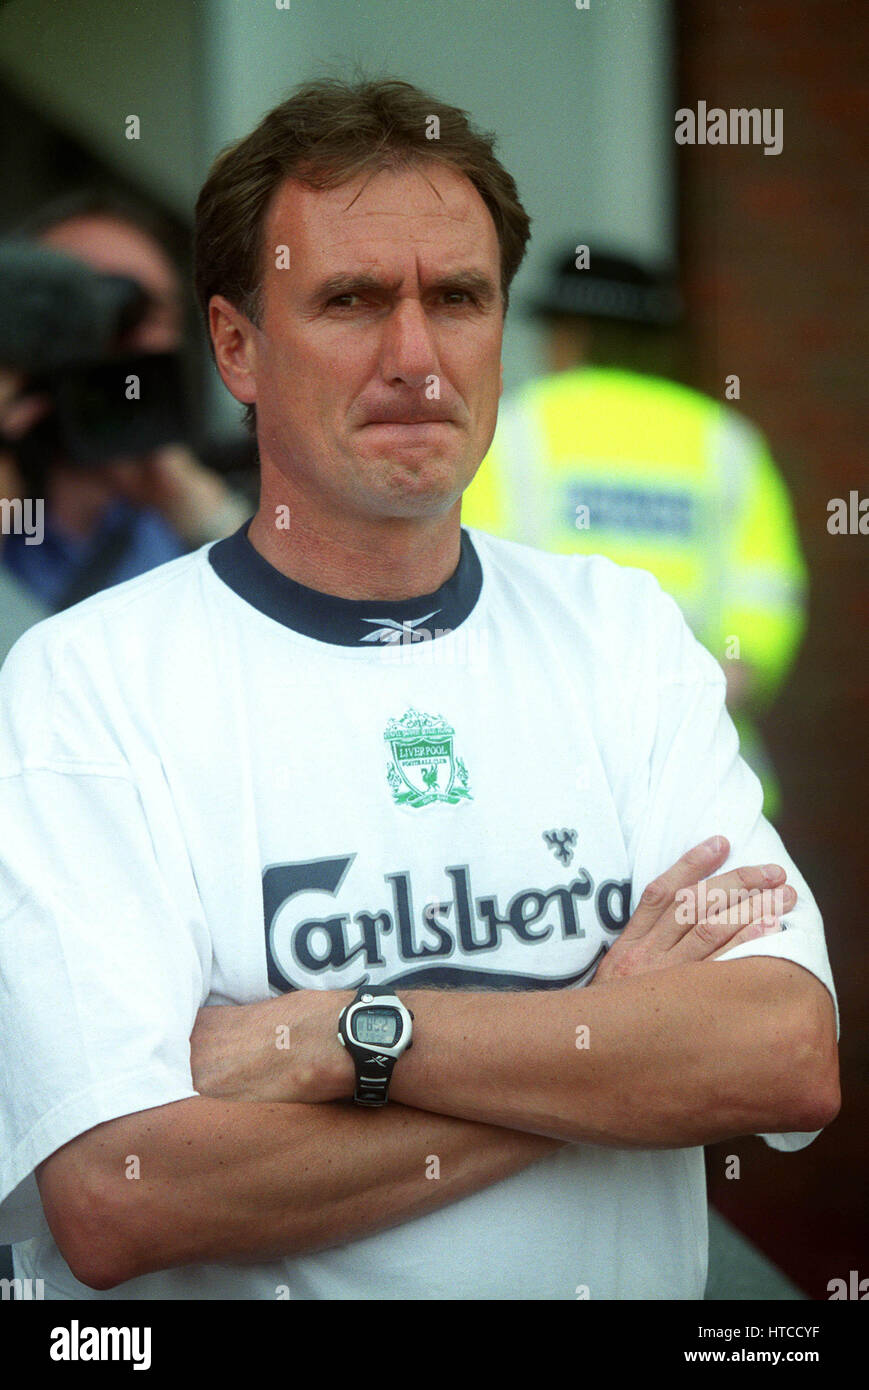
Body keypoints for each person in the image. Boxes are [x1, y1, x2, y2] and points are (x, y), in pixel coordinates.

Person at [0, 77, 838, 1301]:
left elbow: (781, 1052)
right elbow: (123, 1196)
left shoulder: (619, 633)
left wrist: (338, 1032)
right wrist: (605, 1046)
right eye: (349, 301)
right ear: (235, 343)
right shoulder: (89, 684)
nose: (414, 356)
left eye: (457, 298)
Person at [461, 249, 809, 822]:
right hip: (706, 779)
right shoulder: (725, 440)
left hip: (546, 774)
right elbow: (767, 599)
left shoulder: (511, 429)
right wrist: (701, 692)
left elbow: (467, 586)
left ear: (568, 337)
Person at [0, 192, 251, 611]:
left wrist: (204, 514)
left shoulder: (183, 522)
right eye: (67, 304)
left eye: (144, 313)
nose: (105, 328)